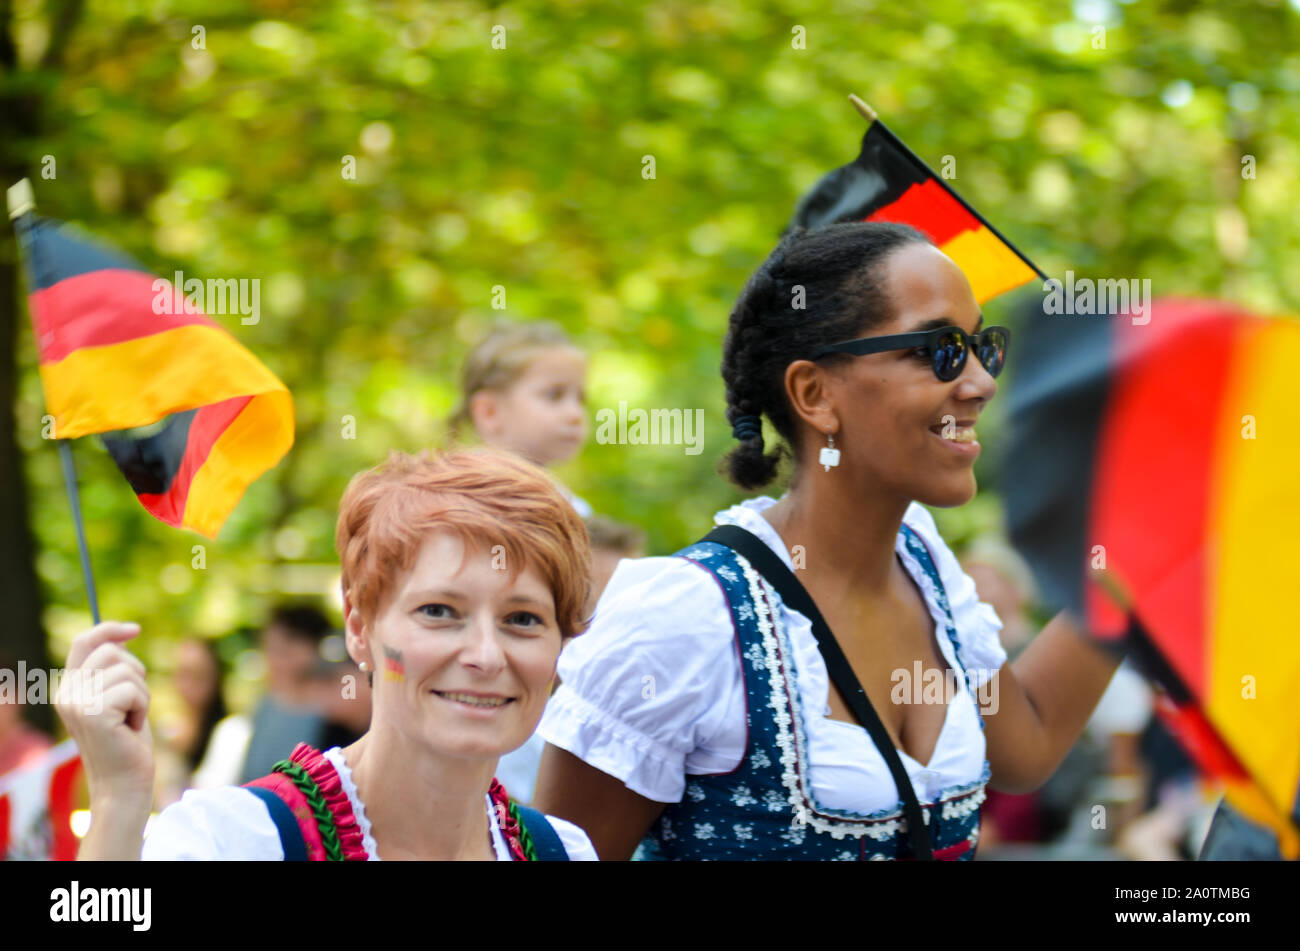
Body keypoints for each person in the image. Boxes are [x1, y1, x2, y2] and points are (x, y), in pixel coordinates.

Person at [532, 221, 1126, 860]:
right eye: (939, 348)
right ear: (815, 395)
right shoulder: (688, 619)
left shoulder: (927, 568)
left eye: (984, 346)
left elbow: (1026, 745)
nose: (981, 382)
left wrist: (1146, 539)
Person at [55, 448, 598, 860]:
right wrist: (118, 803)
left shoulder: (565, 852)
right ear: (360, 627)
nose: (485, 654)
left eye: (522, 619)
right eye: (439, 611)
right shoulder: (233, 840)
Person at [447, 319, 591, 516]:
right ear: (489, 412)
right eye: (554, 395)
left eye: (581, 399)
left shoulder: (571, 505)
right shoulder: (466, 496)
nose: (576, 414)